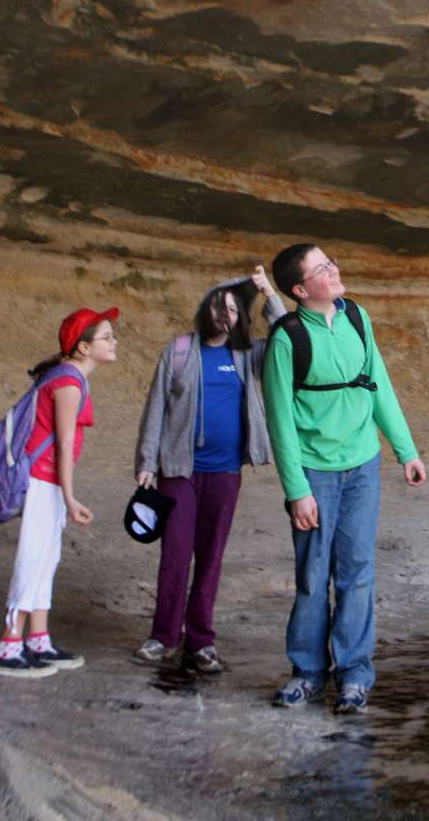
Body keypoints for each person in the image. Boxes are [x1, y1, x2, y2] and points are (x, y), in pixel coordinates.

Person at [260, 243, 427, 714]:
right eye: (322, 269)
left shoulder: (356, 317)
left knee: (357, 572)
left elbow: (379, 384)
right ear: (299, 289)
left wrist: (406, 450)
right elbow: (280, 421)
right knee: (314, 576)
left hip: (363, 465)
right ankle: (307, 673)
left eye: (330, 262)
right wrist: (297, 491)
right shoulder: (287, 339)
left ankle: (354, 674)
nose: (333, 271)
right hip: (315, 471)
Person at [129, 265, 285, 671]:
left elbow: (286, 334)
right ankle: (163, 636)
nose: (223, 315)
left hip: (226, 471)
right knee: (175, 554)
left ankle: (200, 641)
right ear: (205, 309)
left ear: (240, 317)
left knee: (211, 556)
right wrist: (147, 462)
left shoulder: (247, 355)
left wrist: (268, 292)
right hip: (179, 470)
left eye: (232, 310)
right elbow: (156, 408)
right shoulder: (180, 351)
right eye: (217, 307)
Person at [0, 305, 119, 678]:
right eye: (107, 337)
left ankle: (38, 639)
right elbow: (63, 443)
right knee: (33, 556)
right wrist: (69, 497)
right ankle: (9, 643)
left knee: (47, 557)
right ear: (84, 347)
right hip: (42, 479)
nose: (114, 342)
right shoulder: (67, 382)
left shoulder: (70, 376)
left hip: (47, 480)